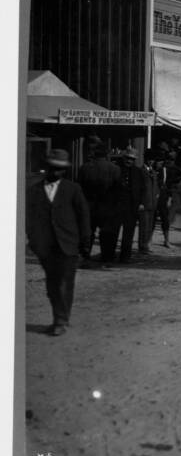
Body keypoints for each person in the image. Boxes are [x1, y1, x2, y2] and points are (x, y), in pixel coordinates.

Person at [26, 149, 91, 336]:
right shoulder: (34, 191)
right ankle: (59, 317)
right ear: (47, 167)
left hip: (68, 244)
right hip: (45, 246)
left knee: (65, 282)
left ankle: (61, 320)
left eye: (60, 169)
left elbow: (83, 216)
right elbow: (28, 219)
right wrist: (34, 241)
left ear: (65, 171)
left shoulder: (72, 189)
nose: (56, 172)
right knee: (52, 284)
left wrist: (84, 242)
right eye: (53, 168)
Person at [77, 144, 121, 264]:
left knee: (87, 233)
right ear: (107, 154)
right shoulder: (115, 169)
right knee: (107, 234)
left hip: (89, 206)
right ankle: (107, 258)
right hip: (108, 207)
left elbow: (79, 189)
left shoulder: (84, 168)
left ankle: (85, 256)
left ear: (94, 154)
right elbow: (118, 191)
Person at [115, 146, 145, 263]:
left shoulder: (138, 172)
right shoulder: (117, 169)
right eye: (127, 158)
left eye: (132, 159)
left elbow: (143, 189)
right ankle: (109, 254)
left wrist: (141, 203)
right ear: (124, 158)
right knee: (113, 231)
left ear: (134, 160)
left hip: (131, 206)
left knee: (128, 232)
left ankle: (125, 256)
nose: (129, 161)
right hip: (117, 205)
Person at [138, 149, 161, 254]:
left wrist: (157, 196)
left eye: (152, 160)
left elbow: (156, 187)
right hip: (144, 203)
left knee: (150, 226)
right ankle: (142, 246)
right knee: (144, 226)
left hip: (152, 203)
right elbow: (139, 188)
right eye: (149, 159)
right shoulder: (141, 171)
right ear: (145, 159)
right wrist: (140, 202)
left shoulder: (153, 172)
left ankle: (146, 245)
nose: (151, 161)